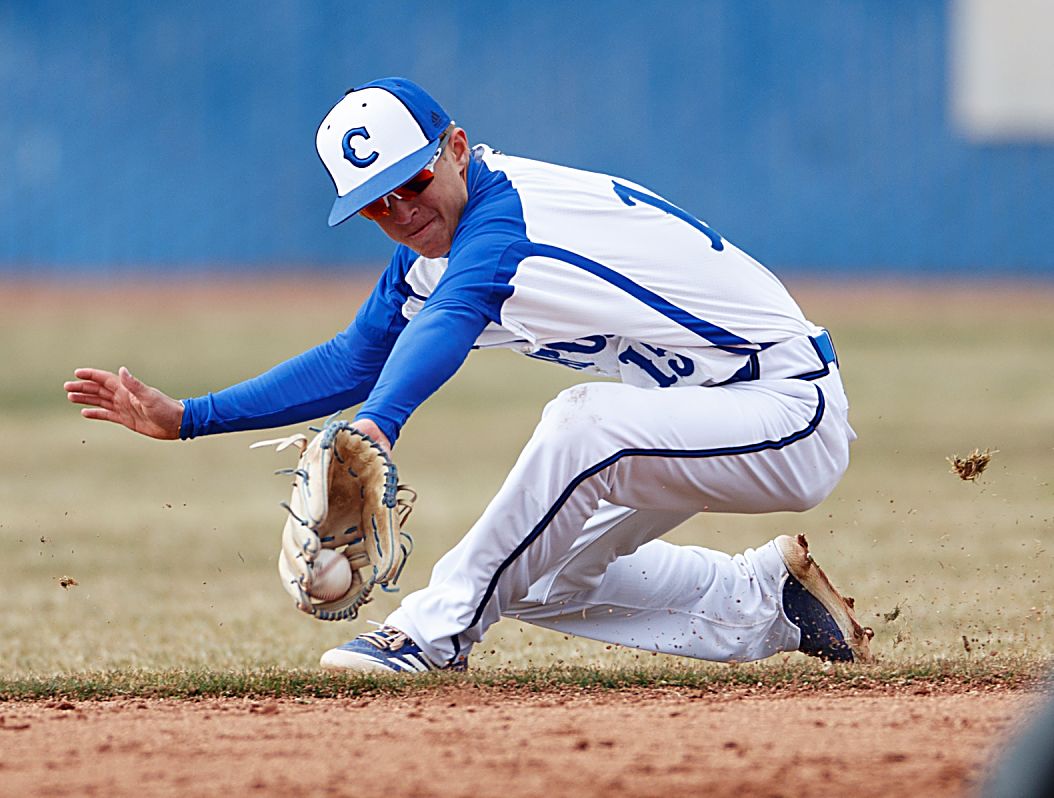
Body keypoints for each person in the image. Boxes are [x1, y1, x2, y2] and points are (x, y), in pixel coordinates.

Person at [65, 77, 873, 673]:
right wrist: (189, 417)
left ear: (455, 148)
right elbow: (355, 358)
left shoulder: (504, 217)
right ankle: (764, 602)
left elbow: (450, 322)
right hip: (695, 413)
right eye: (375, 205)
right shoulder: (429, 254)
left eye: (411, 182)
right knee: (529, 572)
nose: (401, 211)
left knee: (583, 423)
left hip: (784, 406)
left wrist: (378, 426)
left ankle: (430, 633)